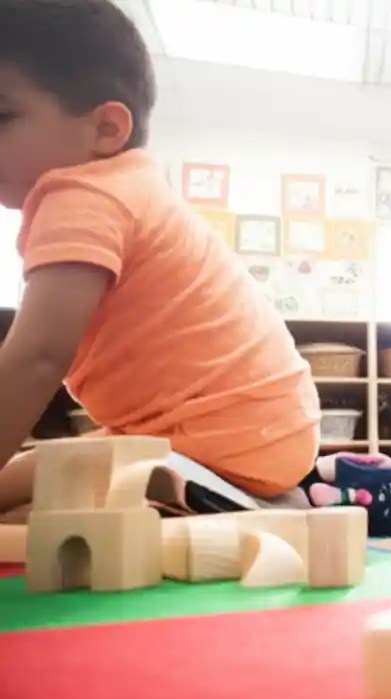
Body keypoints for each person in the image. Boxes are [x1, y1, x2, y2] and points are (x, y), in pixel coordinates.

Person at [0, 0, 320, 515]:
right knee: (27, 480)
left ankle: (238, 502)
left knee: (34, 502)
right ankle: (258, 498)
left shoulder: (80, 194)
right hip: (251, 429)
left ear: (105, 129)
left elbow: (37, 356)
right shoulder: (130, 185)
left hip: (219, 436)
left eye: (2, 116)